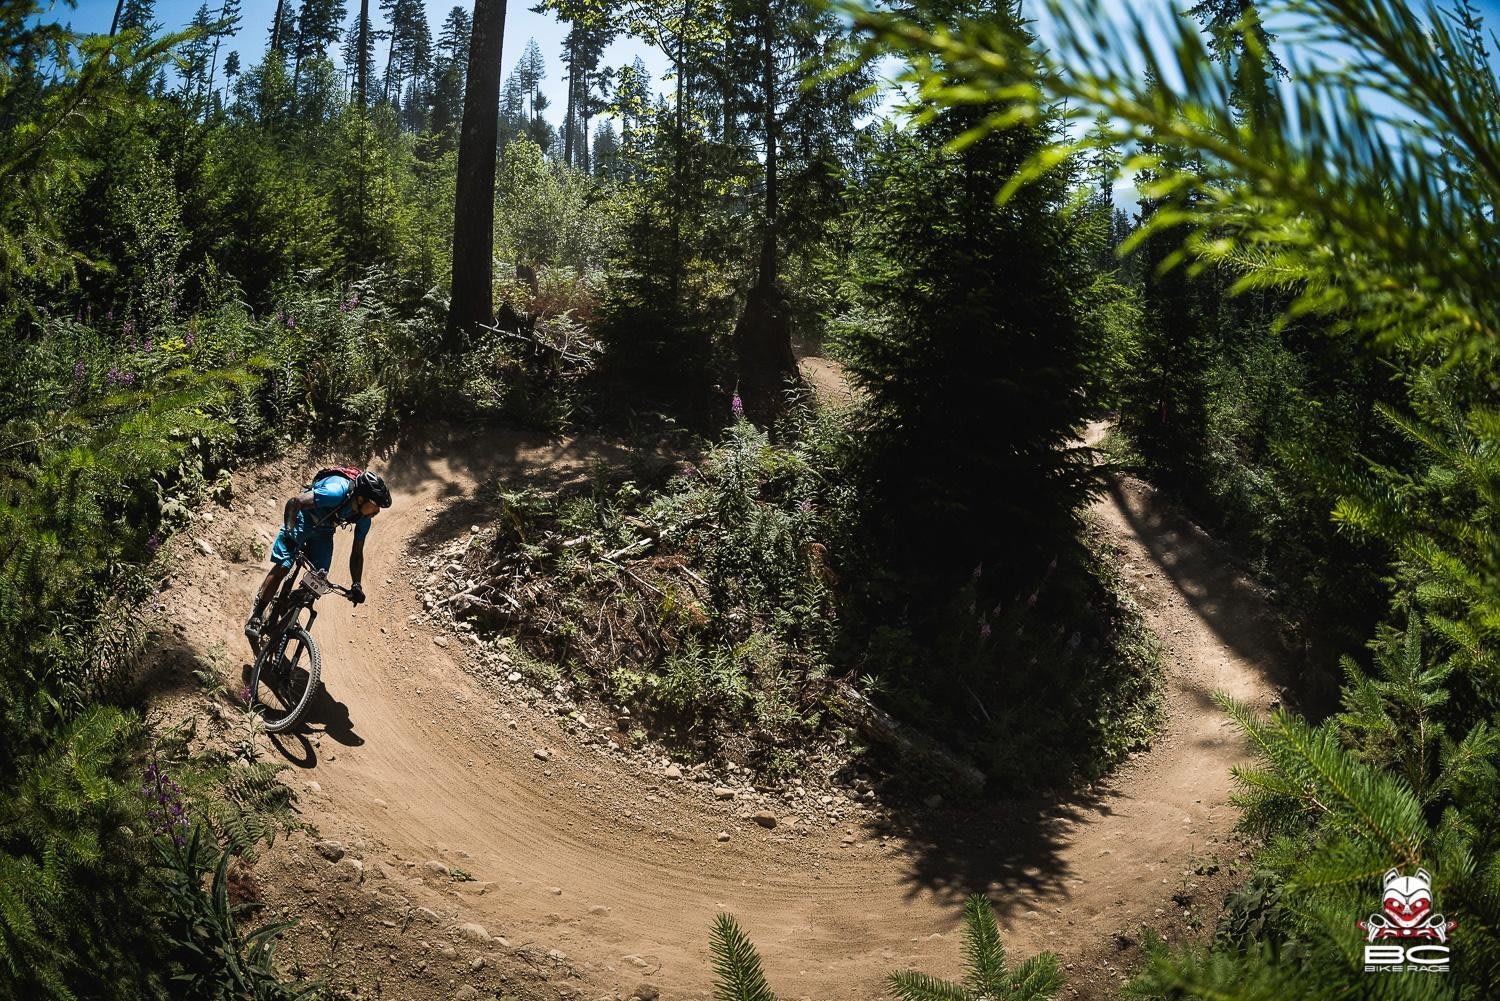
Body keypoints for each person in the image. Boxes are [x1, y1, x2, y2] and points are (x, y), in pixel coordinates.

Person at [245, 468, 392, 647]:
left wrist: (356, 584)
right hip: (302, 519)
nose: (376, 512)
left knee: (319, 581)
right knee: (284, 565)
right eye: (375, 506)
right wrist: (290, 533)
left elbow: (357, 552)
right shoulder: (336, 492)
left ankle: (288, 610)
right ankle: (257, 615)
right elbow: (295, 502)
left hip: (324, 531)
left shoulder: (364, 518)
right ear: (360, 498)